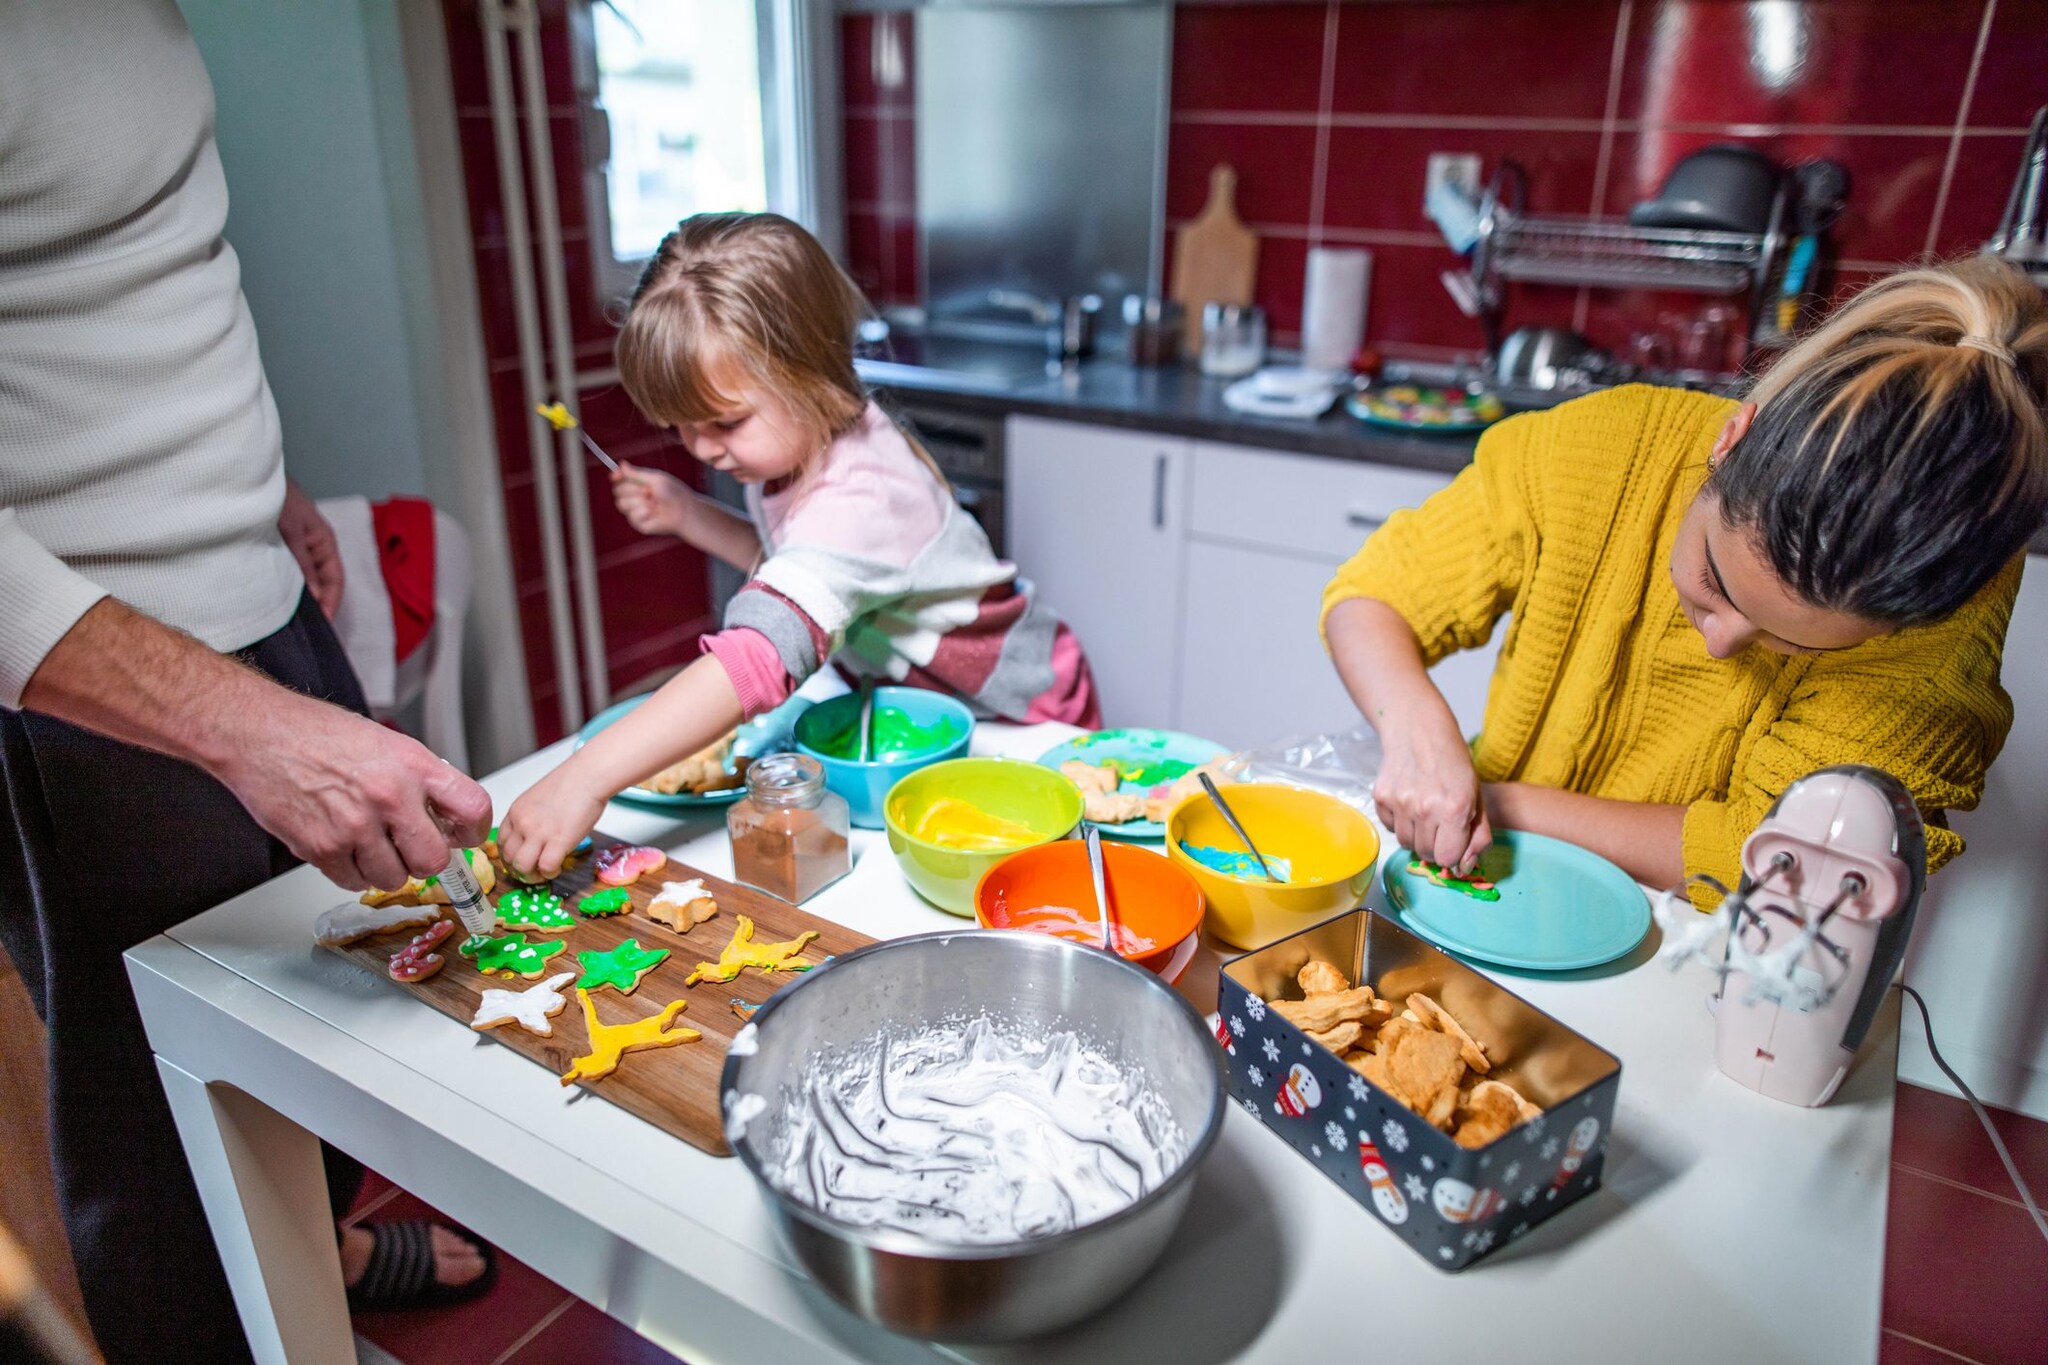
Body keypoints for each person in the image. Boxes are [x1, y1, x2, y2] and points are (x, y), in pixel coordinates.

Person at [0, 5, 495, 1360]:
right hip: (81, 693)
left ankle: (316, 1262)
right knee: (167, 1154)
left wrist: (252, 482)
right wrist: (245, 728)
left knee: (315, 1041)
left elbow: (117, 270)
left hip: (263, 605)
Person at [1324, 257, 2047, 894]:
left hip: (1722, 947)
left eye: (1793, 642)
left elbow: (1790, 858)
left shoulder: (1936, 610)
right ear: (1731, 440)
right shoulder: (1605, 446)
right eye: (1718, 584)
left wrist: (1498, 803)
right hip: (1491, 873)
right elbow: (1376, 594)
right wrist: (1419, 736)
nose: (1722, 644)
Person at [498, 212, 1099, 875]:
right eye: (682, 426)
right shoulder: (800, 444)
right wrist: (690, 515)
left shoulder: (861, 497)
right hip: (933, 713)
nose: (702, 448)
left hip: (1019, 719)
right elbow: (799, 574)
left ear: (809, 371)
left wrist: (584, 776)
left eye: (725, 422)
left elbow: (760, 654)